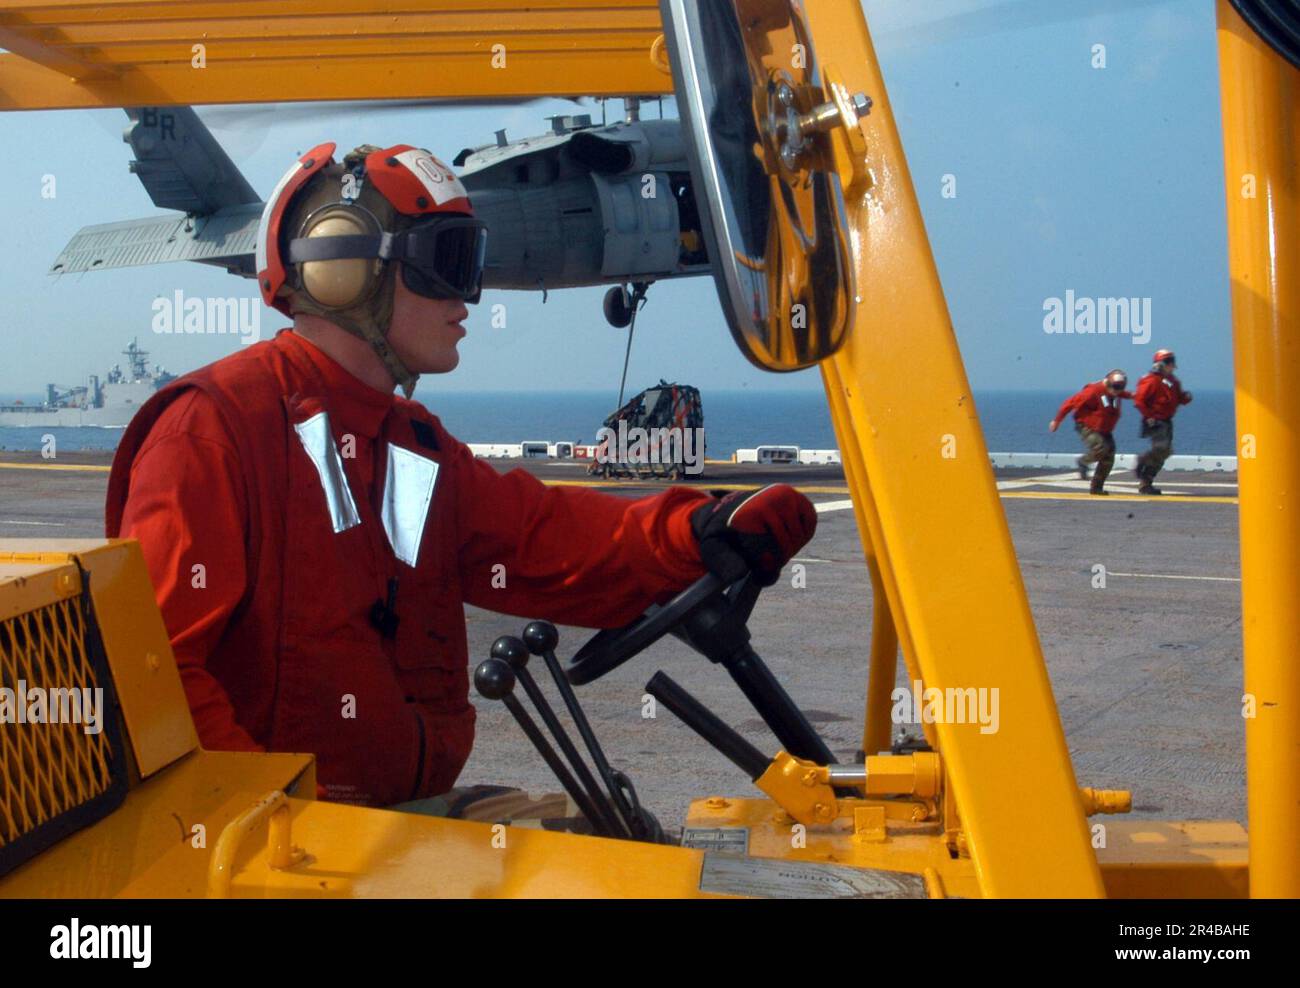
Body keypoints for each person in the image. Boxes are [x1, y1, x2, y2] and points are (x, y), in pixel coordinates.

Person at [105, 142, 816, 815]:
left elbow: (542, 542)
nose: (468, 297)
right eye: (446, 262)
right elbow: (158, 676)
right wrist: (285, 829)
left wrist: (697, 531)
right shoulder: (214, 431)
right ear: (345, 270)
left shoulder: (407, 445)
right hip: (274, 848)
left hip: (387, 825)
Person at [1048, 369, 1132, 496]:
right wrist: (1057, 421)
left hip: (1104, 429)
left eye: (1121, 388)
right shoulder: (1092, 391)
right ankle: (1083, 461)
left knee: (1109, 457)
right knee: (1100, 448)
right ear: (1108, 384)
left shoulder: (1116, 391)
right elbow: (1069, 403)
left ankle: (1096, 487)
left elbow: (1124, 394)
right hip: (1087, 426)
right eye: (1115, 387)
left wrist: (1137, 396)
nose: (1117, 391)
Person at [1133, 349, 1193, 496]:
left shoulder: (1173, 381)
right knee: (1163, 448)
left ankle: (1146, 483)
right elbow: (1139, 401)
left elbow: (1179, 398)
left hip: (1166, 421)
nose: (1172, 366)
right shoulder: (1150, 380)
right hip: (1155, 421)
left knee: (1163, 454)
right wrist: (1149, 416)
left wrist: (1185, 398)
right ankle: (1143, 460)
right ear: (1161, 364)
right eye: (1169, 362)